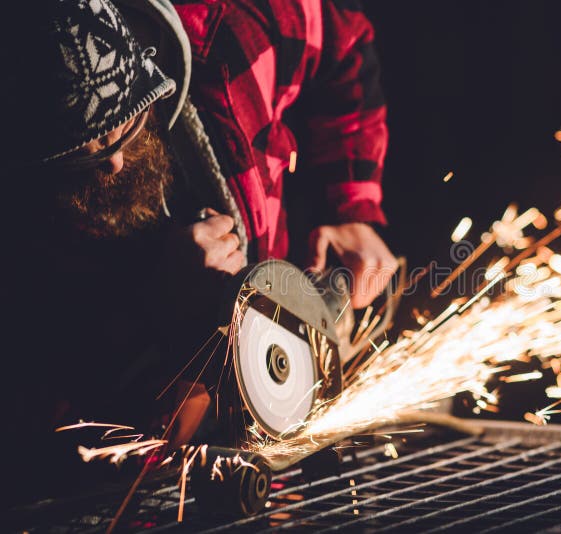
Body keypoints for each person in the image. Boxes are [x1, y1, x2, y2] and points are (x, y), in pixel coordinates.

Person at [1, 0, 396, 504]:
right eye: (80, 156)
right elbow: (38, 433)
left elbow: (344, 47)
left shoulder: (232, 27)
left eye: (128, 123)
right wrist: (152, 313)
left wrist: (352, 205)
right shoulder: (21, 228)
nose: (115, 163)